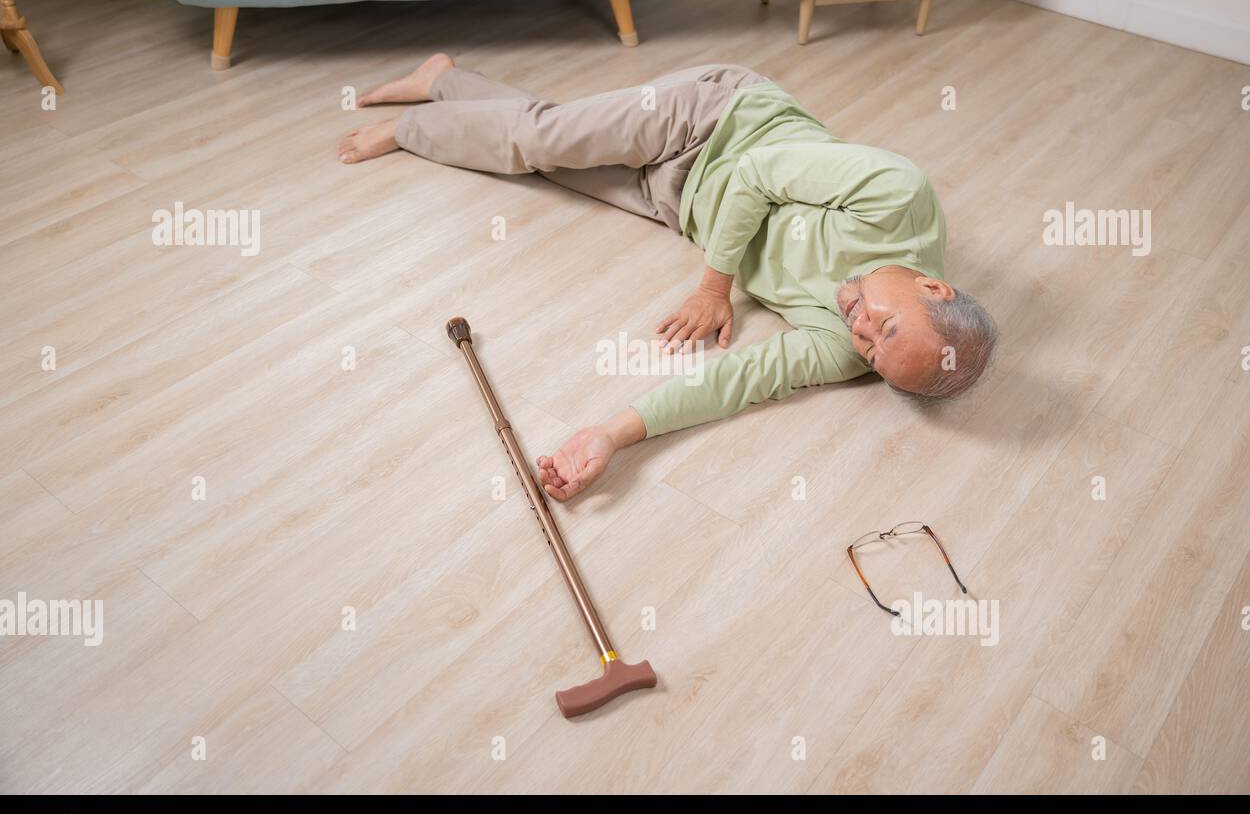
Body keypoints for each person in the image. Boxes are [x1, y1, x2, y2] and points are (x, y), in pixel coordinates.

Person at [339, 53, 997, 500]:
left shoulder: (849, 349)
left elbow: (740, 380)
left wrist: (612, 435)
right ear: (933, 287)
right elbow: (755, 173)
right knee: (538, 141)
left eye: (874, 357)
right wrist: (714, 288)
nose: (861, 333)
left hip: (678, 203)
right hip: (714, 120)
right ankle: (410, 127)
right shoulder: (898, 196)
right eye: (883, 326)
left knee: (537, 150)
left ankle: (446, 78)